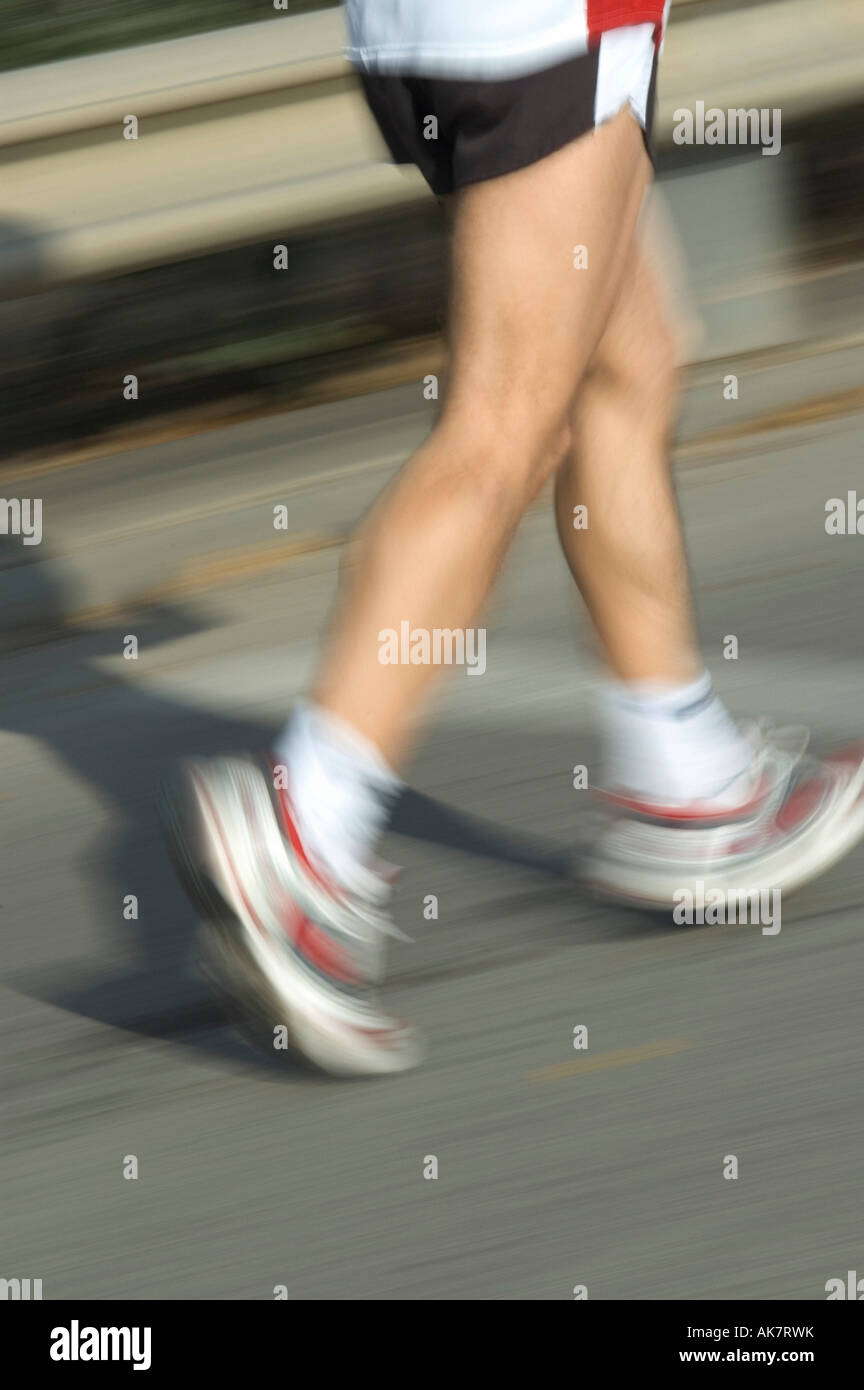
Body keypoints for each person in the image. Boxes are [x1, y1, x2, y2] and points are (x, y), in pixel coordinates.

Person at [166, 1, 864, 1075]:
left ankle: (690, 780)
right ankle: (306, 828)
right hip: (546, 26)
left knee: (628, 356)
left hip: (444, 27)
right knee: (506, 424)